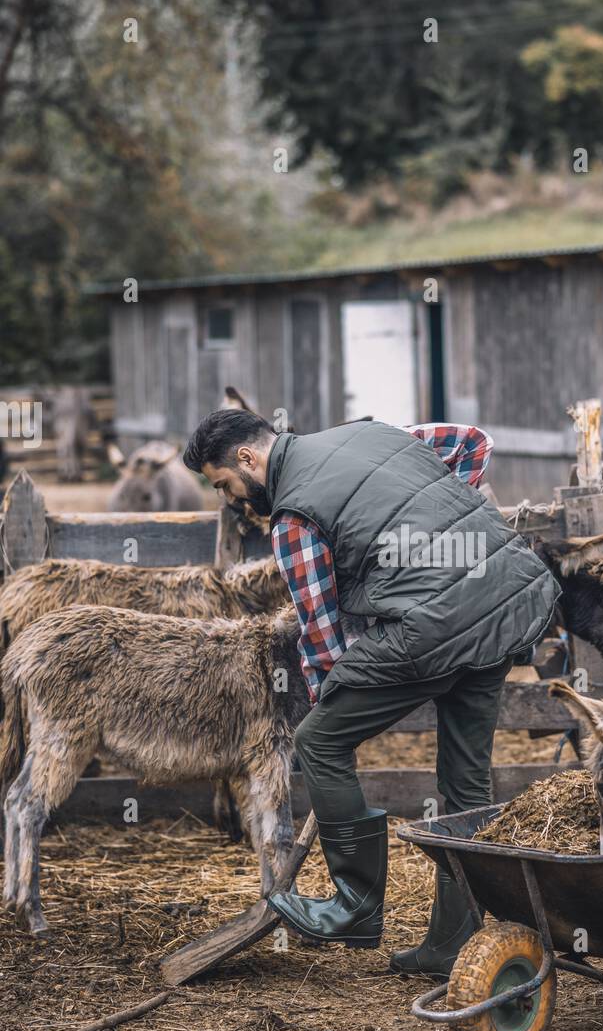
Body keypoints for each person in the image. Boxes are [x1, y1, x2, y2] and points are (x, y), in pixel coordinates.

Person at [183, 409, 559, 978]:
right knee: (465, 781)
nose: (234, 499)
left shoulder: (293, 518)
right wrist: (440, 524)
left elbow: (323, 639)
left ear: (247, 459)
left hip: (439, 622)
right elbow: (472, 442)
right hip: (508, 599)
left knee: (320, 741)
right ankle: (455, 940)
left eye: (225, 485)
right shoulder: (373, 432)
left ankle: (355, 904)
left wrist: (328, 705)